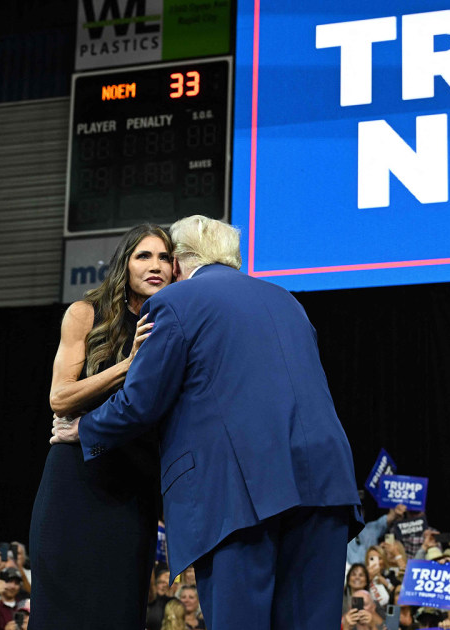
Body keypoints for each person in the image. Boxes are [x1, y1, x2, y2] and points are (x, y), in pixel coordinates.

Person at [52, 215, 360, 630]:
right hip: (325, 484)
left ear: (179, 263)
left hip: (241, 491)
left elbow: (142, 402)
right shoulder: (286, 299)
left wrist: (84, 429)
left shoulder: (176, 302)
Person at [29, 223, 173, 630]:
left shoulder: (174, 324)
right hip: (76, 482)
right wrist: (130, 365)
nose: (155, 265)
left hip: (134, 488)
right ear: (123, 265)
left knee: (119, 609)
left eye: (164, 257)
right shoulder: (85, 314)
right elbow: (60, 399)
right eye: (143, 256)